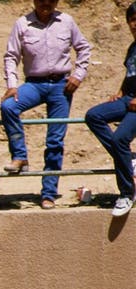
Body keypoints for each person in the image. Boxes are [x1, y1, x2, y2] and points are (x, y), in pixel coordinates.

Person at [0, 0, 91, 210]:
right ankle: (20, 156)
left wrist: (78, 75)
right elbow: (11, 56)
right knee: (8, 107)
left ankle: (49, 193)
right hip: (35, 83)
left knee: (55, 141)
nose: (45, 3)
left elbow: (84, 48)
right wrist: (12, 85)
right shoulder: (22, 24)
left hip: (61, 85)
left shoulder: (66, 21)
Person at [85, 1, 136, 218]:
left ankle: (127, 192)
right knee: (94, 115)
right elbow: (130, 75)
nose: (135, 24)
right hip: (130, 99)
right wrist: (120, 92)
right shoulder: (133, 48)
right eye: (132, 20)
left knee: (119, 139)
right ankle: (128, 160)